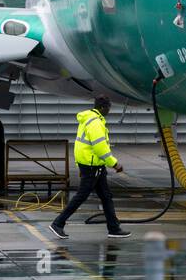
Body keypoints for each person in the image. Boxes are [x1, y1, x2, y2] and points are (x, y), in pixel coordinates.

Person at [49, 96, 131, 239]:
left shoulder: (88, 119)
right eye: (109, 108)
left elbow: (80, 145)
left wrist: (80, 165)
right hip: (93, 166)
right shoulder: (96, 123)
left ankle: (114, 228)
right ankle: (58, 223)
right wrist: (114, 164)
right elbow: (100, 148)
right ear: (103, 108)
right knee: (82, 196)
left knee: (106, 197)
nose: (109, 111)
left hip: (92, 165)